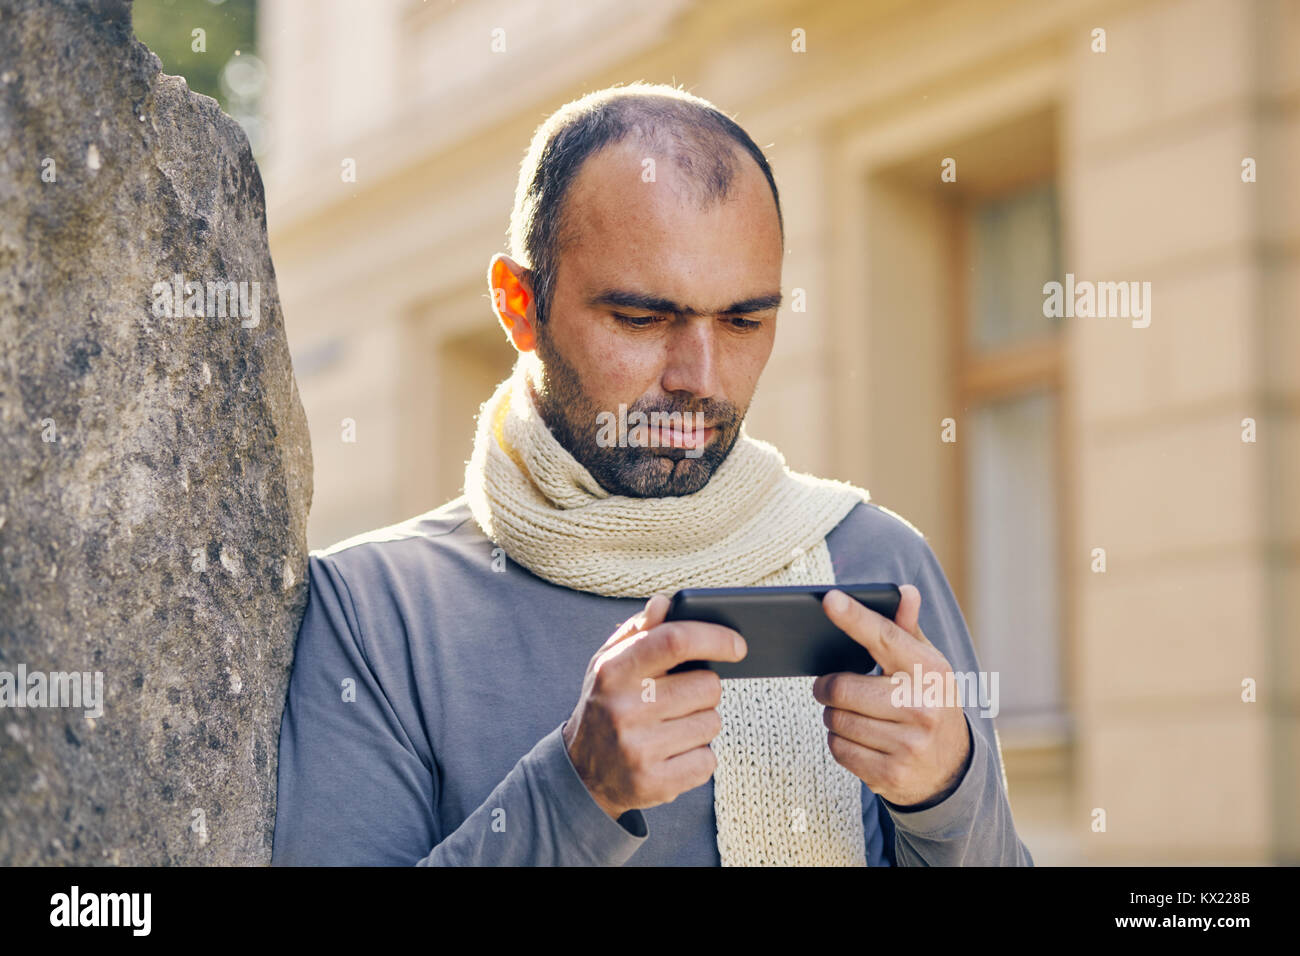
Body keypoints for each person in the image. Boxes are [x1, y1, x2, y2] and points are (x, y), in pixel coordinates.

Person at [271, 82, 1033, 866]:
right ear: (519, 304)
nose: (699, 376)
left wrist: (948, 795)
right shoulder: (372, 612)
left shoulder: (874, 560)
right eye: (641, 319)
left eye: (743, 321)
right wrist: (574, 793)